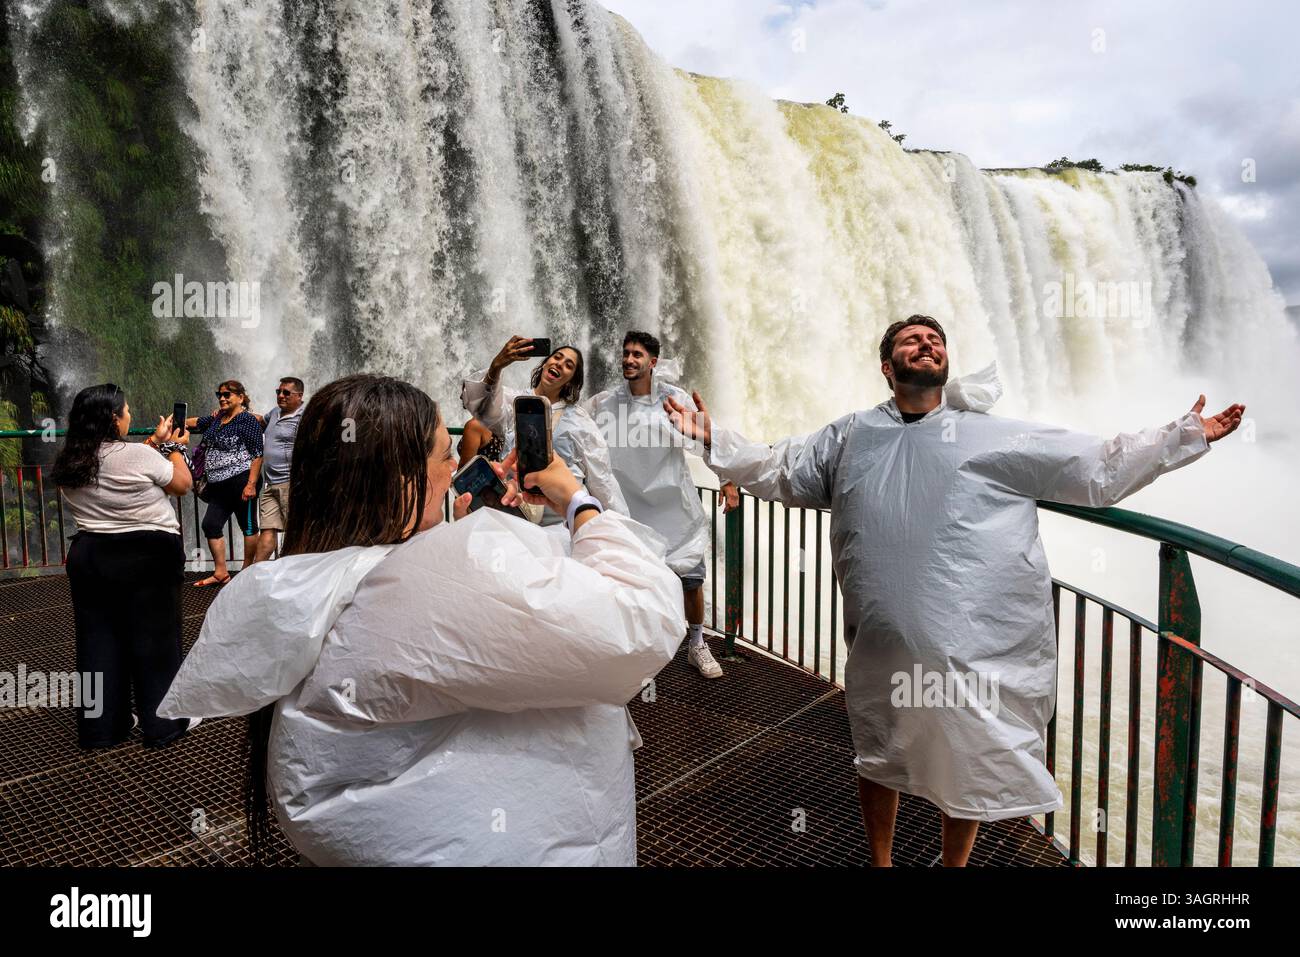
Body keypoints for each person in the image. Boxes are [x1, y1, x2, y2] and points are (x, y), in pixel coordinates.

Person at [664, 314, 1244, 866]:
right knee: (879, 752)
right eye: (911, 339)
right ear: (887, 367)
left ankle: (953, 863)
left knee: (966, 754)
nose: (926, 344)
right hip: (881, 639)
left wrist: (1185, 435)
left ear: (946, 360)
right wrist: (712, 440)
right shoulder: (852, 434)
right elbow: (779, 467)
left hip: (969, 646)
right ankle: (883, 860)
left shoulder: (994, 436)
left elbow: (1096, 467)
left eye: (934, 339)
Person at [159, 374, 684, 866]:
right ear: (402, 477)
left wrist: (469, 530)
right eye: (445, 454)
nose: (456, 466)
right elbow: (643, 618)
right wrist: (577, 502)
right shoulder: (437, 580)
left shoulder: (310, 581)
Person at [52, 384, 201, 748]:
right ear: (114, 418)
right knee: (156, 642)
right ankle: (163, 725)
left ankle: (102, 728)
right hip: (147, 557)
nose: (130, 416)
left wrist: (154, 441)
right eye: (127, 411)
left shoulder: (71, 460)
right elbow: (183, 484)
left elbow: (115, 465)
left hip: (91, 558)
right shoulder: (137, 455)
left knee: (97, 642)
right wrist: (177, 447)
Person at [584, 330, 734, 679]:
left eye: (637, 354)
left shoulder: (673, 399)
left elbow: (704, 437)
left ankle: (697, 644)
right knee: (626, 581)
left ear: (653, 362)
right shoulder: (605, 403)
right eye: (626, 353)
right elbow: (574, 428)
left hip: (673, 505)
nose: (629, 359)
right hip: (628, 508)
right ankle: (633, 652)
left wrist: (726, 481)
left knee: (691, 579)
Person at [462, 338, 628, 524]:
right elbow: (481, 406)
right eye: (557, 357)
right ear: (545, 364)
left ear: (571, 380)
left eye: (568, 365)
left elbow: (601, 479)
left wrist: (618, 525)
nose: (559, 363)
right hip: (517, 513)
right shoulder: (514, 402)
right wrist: (496, 366)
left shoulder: (580, 421)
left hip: (561, 523)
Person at [185, 380, 263, 586]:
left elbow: (257, 454)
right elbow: (196, 423)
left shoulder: (247, 421)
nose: (222, 398)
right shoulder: (217, 418)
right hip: (218, 485)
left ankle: (247, 571)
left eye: (227, 395)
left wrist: (251, 484)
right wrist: (176, 420)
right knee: (210, 524)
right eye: (219, 394)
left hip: (242, 481)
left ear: (240, 397)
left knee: (247, 526)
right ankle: (221, 572)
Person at [251, 377, 305, 562]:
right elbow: (261, 421)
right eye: (278, 392)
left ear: (299, 396)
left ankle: (294, 570)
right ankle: (256, 572)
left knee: (295, 530)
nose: (281, 396)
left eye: (286, 393)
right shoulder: (275, 412)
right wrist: (236, 413)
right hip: (270, 483)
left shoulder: (305, 417)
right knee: (267, 529)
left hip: (291, 484)